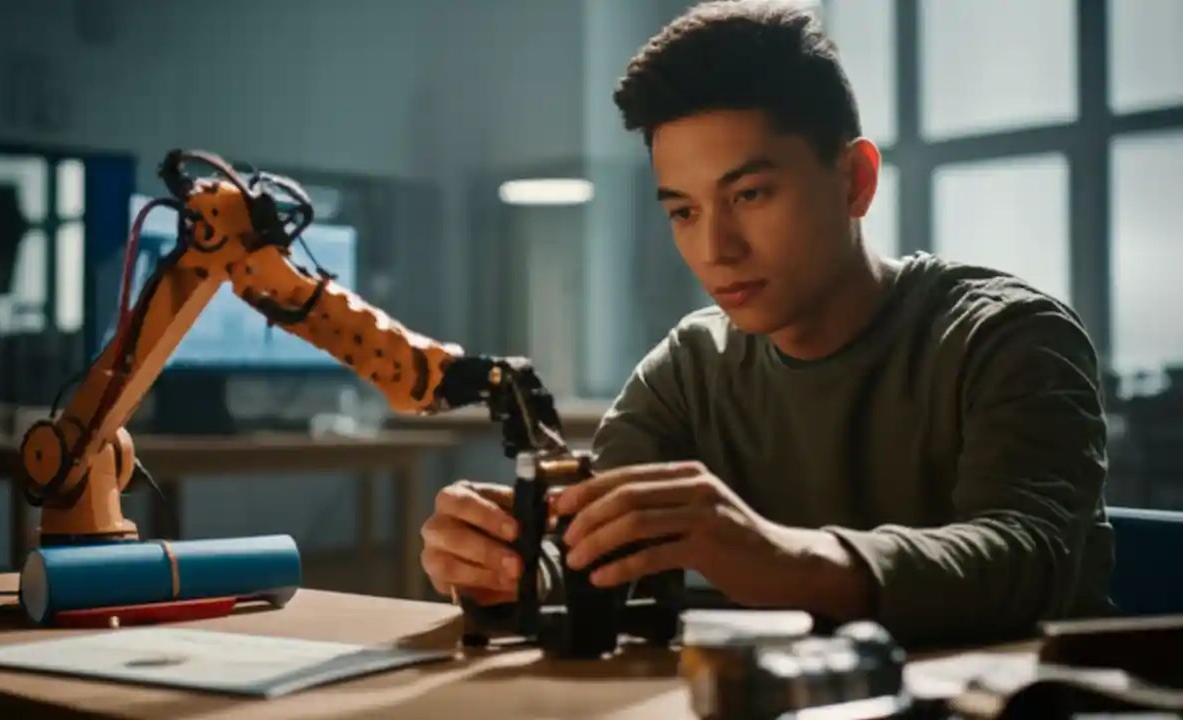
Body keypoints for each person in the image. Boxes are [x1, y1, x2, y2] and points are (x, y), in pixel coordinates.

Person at [418, 0, 1115, 646]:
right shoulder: (689, 368)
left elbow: (1026, 560)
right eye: (683, 212)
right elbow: (591, 555)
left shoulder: (1010, 339)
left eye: (749, 194)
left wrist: (777, 556)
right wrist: (505, 562)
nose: (715, 249)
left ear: (855, 181)